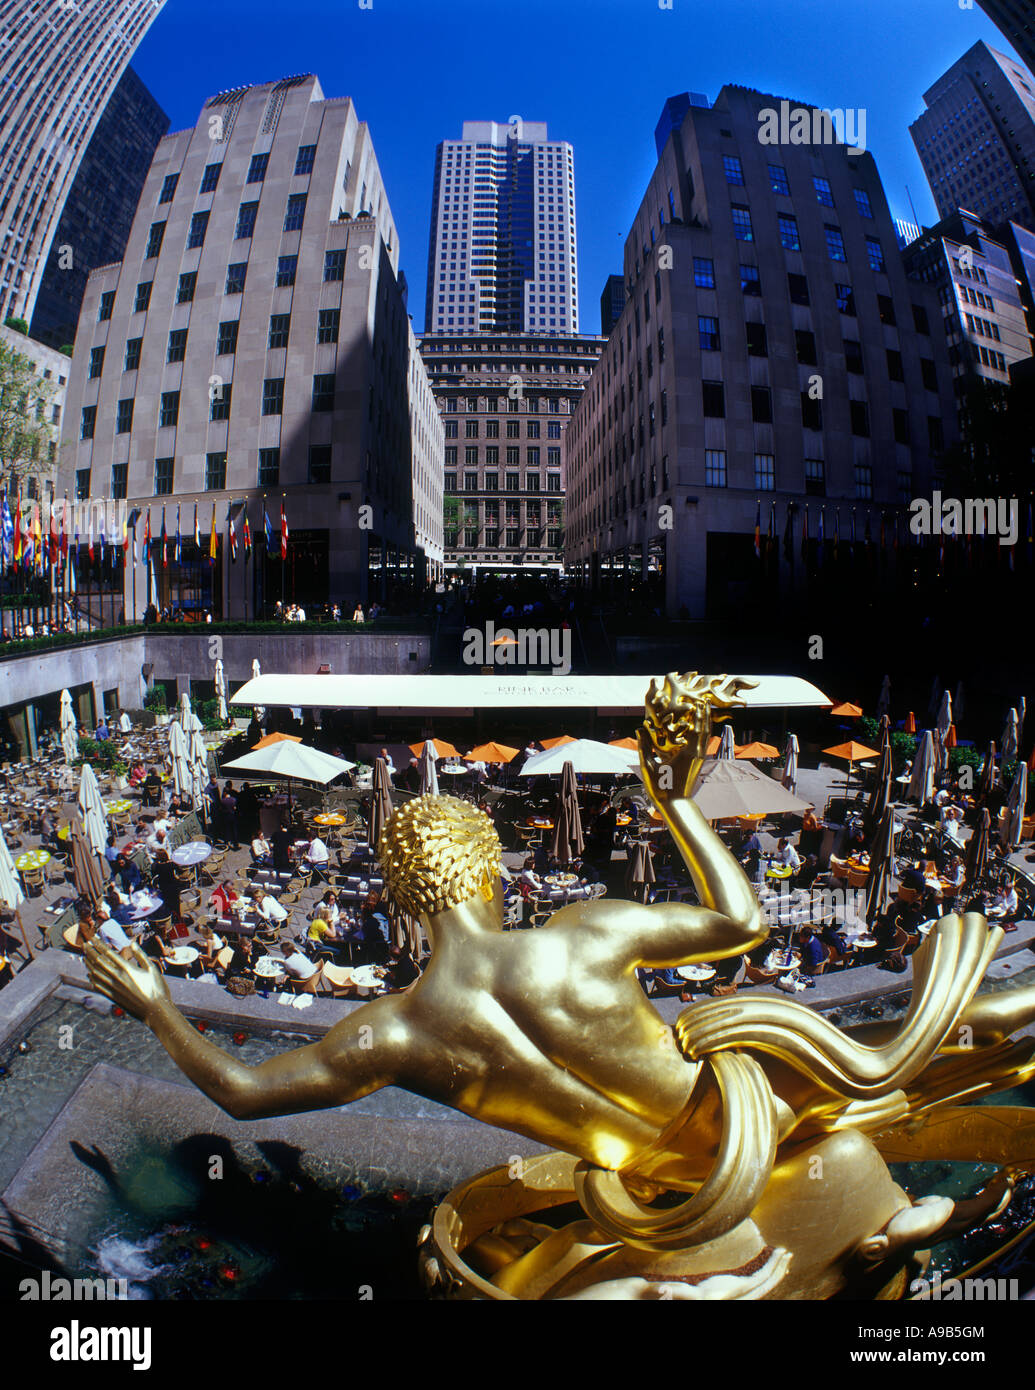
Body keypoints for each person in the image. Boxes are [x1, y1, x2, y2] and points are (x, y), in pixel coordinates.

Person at [89, 677, 1034, 1293]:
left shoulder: (394, 1034)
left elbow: (243, 1095)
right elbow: (743, 925)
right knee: (877, 1037)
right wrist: (671, 800)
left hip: (653, 1186)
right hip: (761, 1127)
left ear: (404, 897)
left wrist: (158, 1007)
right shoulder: (581, 936)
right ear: (490, 867)